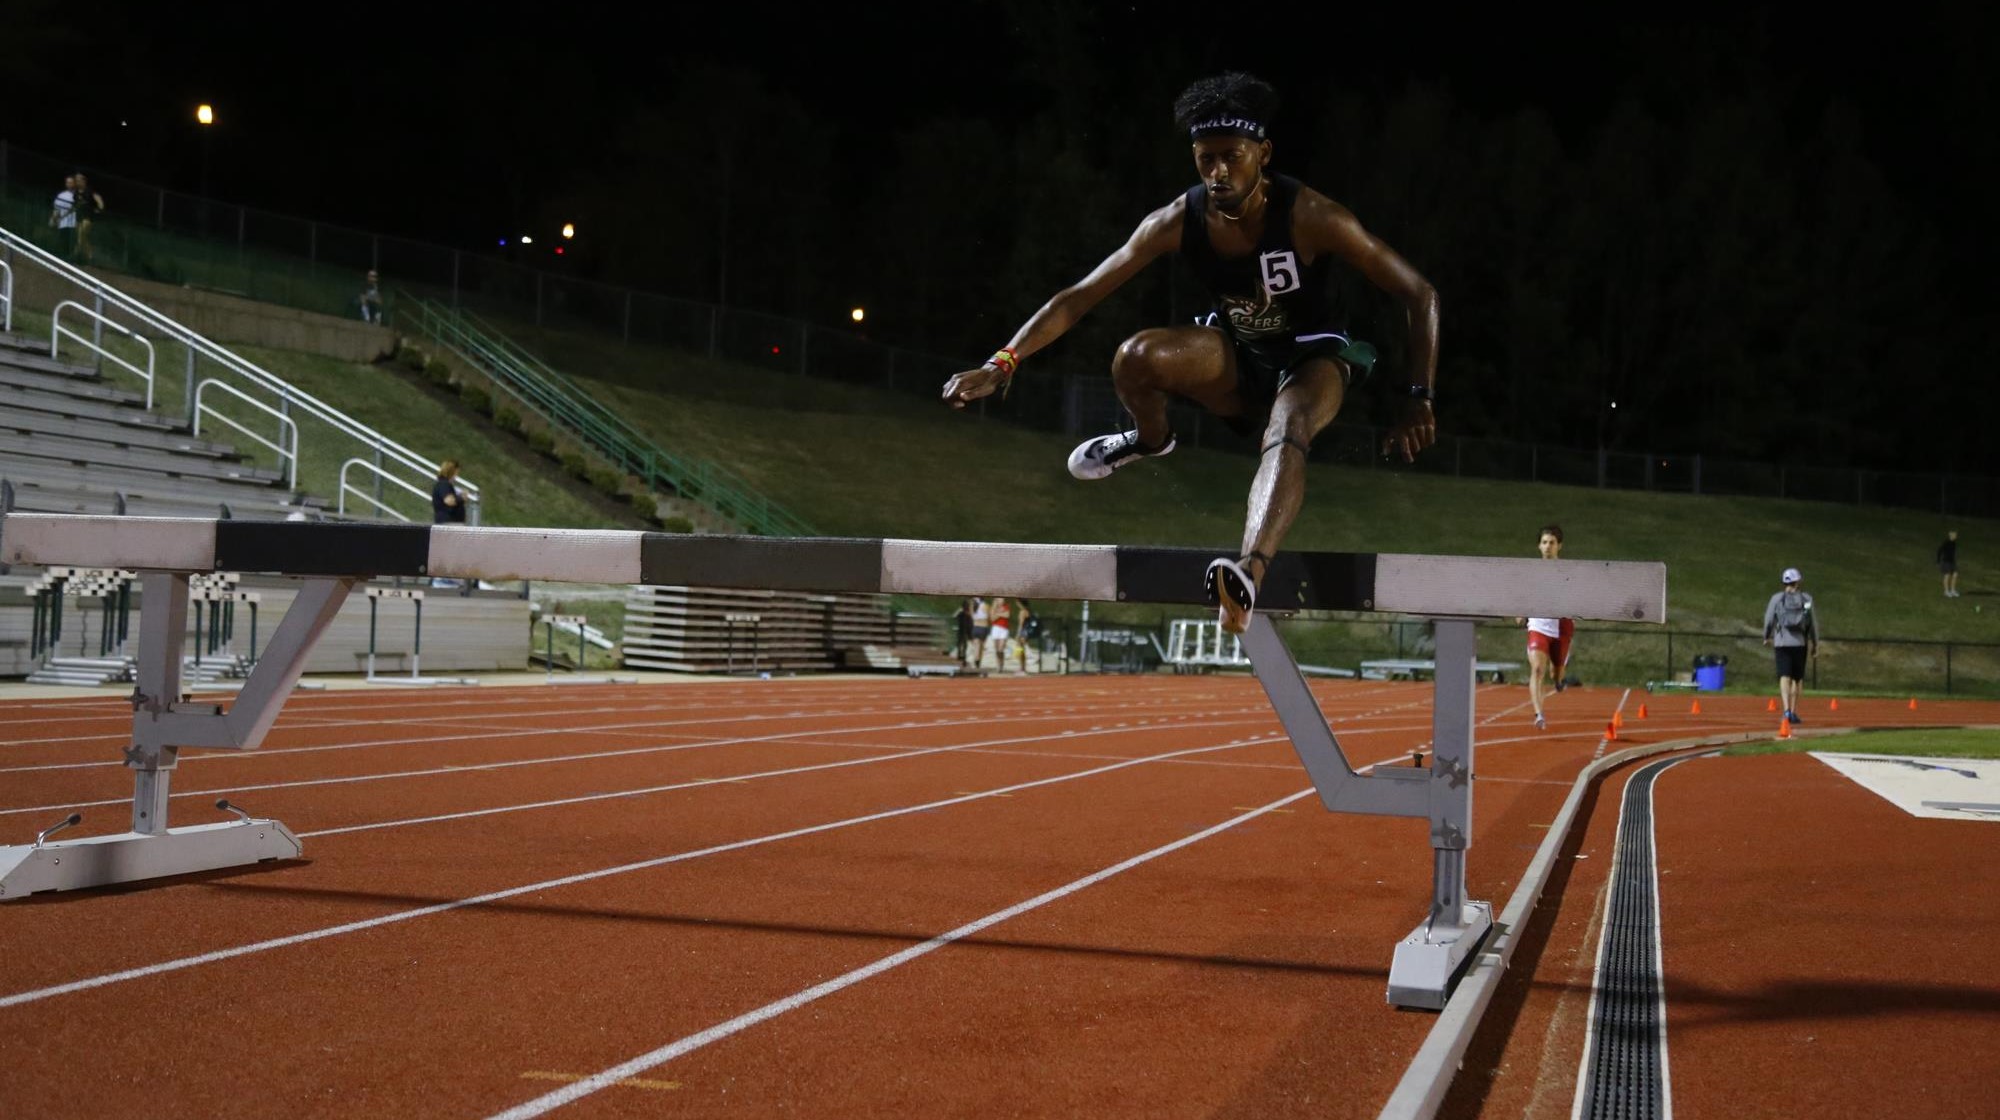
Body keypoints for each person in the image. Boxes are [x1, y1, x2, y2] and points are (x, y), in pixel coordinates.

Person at [942, 72, 1439, 635]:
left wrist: (1419, 394)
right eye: (1206, 160)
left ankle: (1247, 573)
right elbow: (1081, 295)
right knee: (1135, 356)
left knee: (1290, 424)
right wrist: (1001, 362)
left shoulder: (1312, 216)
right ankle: (1150, 440)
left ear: (1264, 154)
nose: (1219, 172)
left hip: (1312, 355)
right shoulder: (1179, 220)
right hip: (1236, 355)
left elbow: (1419, 293)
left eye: (1232, 157)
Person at [1524, 524, 1575, 731]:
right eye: (1544, 542)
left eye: (1552, 543)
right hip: (1538, 625)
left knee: (1556, 674)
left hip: (1562, 626)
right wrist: (1519, 611)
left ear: (1559, 546)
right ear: (1539, 546)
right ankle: (1539, 714)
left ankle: (1559, 680)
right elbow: (1521, 595)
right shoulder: (1531, 572)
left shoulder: (1567, 572)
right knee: (1537, 669)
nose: (1547, 547)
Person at [1762, 567, 1819, 725]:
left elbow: (1769, 620)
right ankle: (1794, 712)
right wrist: (1815, 642)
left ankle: (1786, 711)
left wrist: (1766, 636)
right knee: (1797, 679)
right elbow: (1811, 622)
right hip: (1800, 643)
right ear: (1798, 581)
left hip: (1781, 642)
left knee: (1784, 676)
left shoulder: (1777, 599)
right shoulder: (1806, 600)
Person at [69, 174, 105, 264]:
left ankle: (76, 255)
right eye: (76, 180)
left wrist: (100, 207)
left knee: (81, 235)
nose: (77, 182)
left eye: (78, 180)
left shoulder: (89, 191)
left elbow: (98, 199)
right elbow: (76, 204)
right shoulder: (76, 192)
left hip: (87, 217)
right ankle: (90, 255)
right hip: (79, 216)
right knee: (82, 238)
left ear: (83, 181)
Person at [49, 174, 79, 258]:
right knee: (63, 242)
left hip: (74, 223)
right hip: (63, 223)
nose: (69, 184)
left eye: (71, 182)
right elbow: (56, 209)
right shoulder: (62, 195)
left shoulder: (78, 195)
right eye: (67, 182)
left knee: (72, 243)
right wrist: (53, 219)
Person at [989, 596, 1013, 671]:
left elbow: (1007, 615)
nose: (1001, 600)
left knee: (1001, 648)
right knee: (996, 649)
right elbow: (992, 618)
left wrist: (998, 614)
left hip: (1004, 629)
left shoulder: (1006, 606)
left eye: (1002, 599)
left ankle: (1001, 664)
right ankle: (998, 664)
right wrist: (1001, 613)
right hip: (995, 628)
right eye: (999, 599)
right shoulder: (993, 608)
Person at [968, 596, 990, 670]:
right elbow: (988, 617)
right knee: (981, 647)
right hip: (983, 627)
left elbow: (971, 616)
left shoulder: (972, 605)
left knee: (976, 647)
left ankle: (976, 661)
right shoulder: (985, 605)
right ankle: (978, 663)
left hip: (975, 627)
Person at [952, 598, 974, 665]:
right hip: (961, 629)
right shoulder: (961, 612)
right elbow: (954, 616)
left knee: (965, 644)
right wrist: (959, 610)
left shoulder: (968, 613)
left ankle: (963, 657)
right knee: (959, 643)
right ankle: (959, 656)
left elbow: (972, 619)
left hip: (966, 630)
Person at [1938, 530, 1959, 598]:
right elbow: (1939, 550)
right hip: (1946, 561)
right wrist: (1938, 560)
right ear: (1951, 535)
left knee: (1955, 574)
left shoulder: (1954, 543)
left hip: (1952, 562)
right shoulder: (1946, 542)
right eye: (1955, 535)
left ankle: (1952, 590)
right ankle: (1946, 591)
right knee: (1947, 575)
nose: (1956, 536)